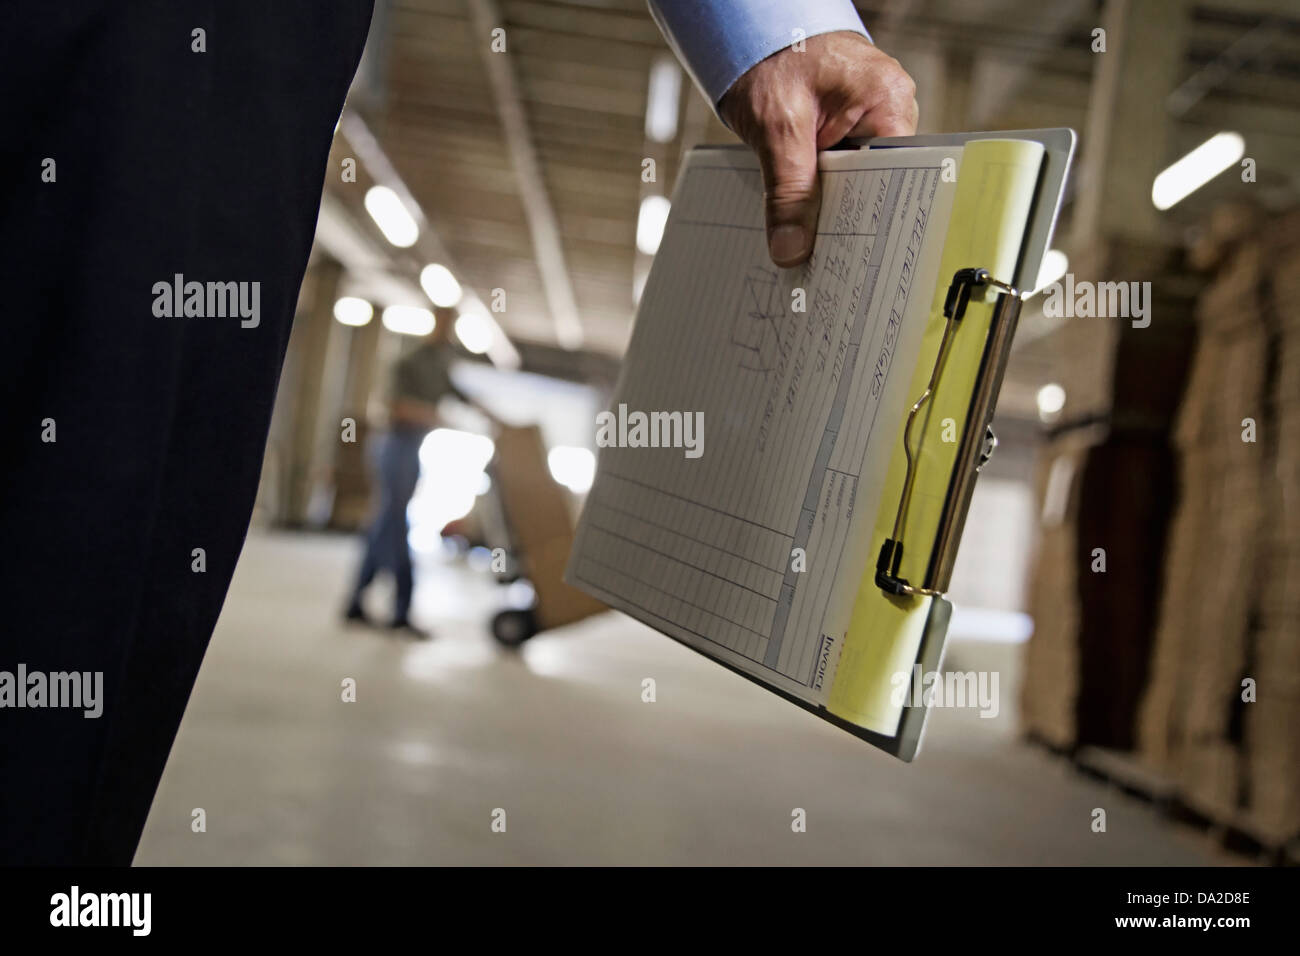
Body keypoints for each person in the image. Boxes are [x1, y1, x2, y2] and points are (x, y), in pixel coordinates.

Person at [0, 0, 916, 864]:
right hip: (167, 76)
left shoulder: (434, 356)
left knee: (81, 558)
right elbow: (410, 408)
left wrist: (771, 25)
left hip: (182, 46)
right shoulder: (415, 366)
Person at [345, 310, 495, 637]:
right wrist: (440, 419)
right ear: (435, 321)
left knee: (385, 524)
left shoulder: (441, 362)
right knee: (396, 525)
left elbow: (459, 394)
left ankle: (355, 603)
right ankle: (401, 609)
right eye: (446, 321)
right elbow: (395, 406)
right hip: (395, 445)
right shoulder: (410, 360)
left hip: (412, 448)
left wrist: (494, 417)